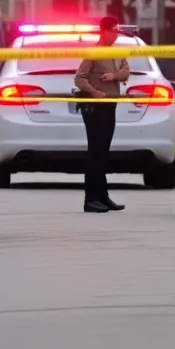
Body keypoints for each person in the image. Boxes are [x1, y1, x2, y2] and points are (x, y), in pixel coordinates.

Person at [73, 16, 130, 214]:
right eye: (114, 30)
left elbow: (126, 72)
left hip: (110, 104)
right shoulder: (93, 52)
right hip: (95, 106)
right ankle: (91, 199)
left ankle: (103, 196)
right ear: (104, 31)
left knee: (104, 151)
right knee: (95, 151)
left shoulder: (117, 52)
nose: (116, 33)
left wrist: (114, 76)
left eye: (118, 30)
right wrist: (96, 92)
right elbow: (79, 78)